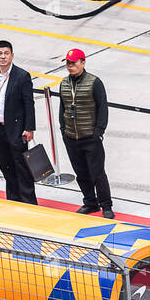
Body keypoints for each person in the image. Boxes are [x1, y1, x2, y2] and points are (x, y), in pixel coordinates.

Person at [0, 40, 37, 205]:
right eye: (0, 54)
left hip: (17, 129)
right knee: (6, 166)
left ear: (12, 56)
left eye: (6, 53)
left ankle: (29, 202)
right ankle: (13, 200)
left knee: (22, 167)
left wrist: (29, 128)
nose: (3, 57)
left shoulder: (22, 76)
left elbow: (29, 104)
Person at [58, 48, 113, 219]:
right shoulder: (64, 83)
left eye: (73, 63)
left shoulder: (94, 82)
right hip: (71, 137)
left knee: (98, 173)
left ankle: (106, 205)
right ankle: (90, 202)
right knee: (81, 173)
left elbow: (103, 108)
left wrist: (99, 132)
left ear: (83, 62)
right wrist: (63, 129)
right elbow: (63, 108)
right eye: (68, 63)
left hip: (90, 137)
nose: (70, 66)